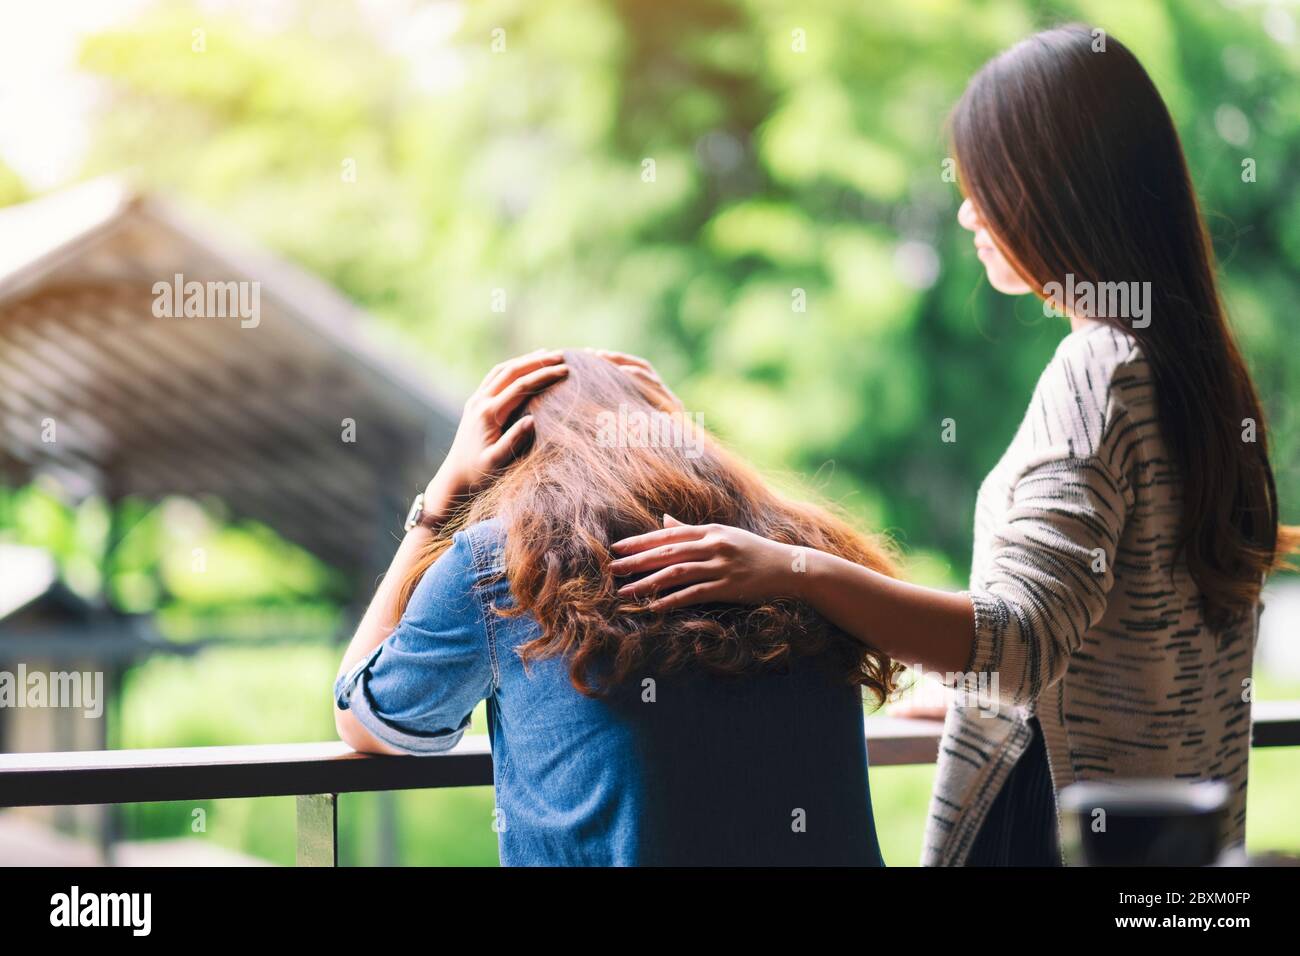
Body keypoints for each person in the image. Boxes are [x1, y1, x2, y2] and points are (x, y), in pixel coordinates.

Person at [609, 25, 1297, 866]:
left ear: (1060, 186)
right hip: (1172, 851)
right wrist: (982, 703)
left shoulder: (1098, 370)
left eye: (988, 184)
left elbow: (1020, 642)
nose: (970, 211)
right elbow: (1106, 639)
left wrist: (787, 568)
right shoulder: (1200, 377)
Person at [334, 348, 899, 865]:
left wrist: (438, 503)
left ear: (509, 453)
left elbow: (366, 716)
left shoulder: (506, 562)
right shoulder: (797, 550)